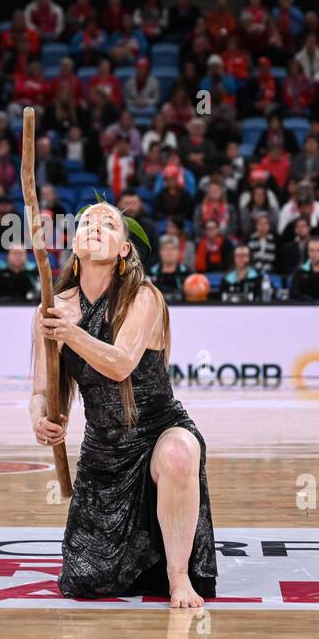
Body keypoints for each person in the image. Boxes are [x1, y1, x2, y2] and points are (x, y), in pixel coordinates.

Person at [32, 201, 217, 606]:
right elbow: (41, 391)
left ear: (124, 251)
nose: (96, 227)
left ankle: (179, 576)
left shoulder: (144, 297)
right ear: (74, 246)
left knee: (180, 453)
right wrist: (41, 419)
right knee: (85, 583)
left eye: (109, 224)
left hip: (158, 430)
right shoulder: (53, 308)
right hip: (103, 451)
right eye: (87, 223)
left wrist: (71, 333)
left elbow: (119, 365)